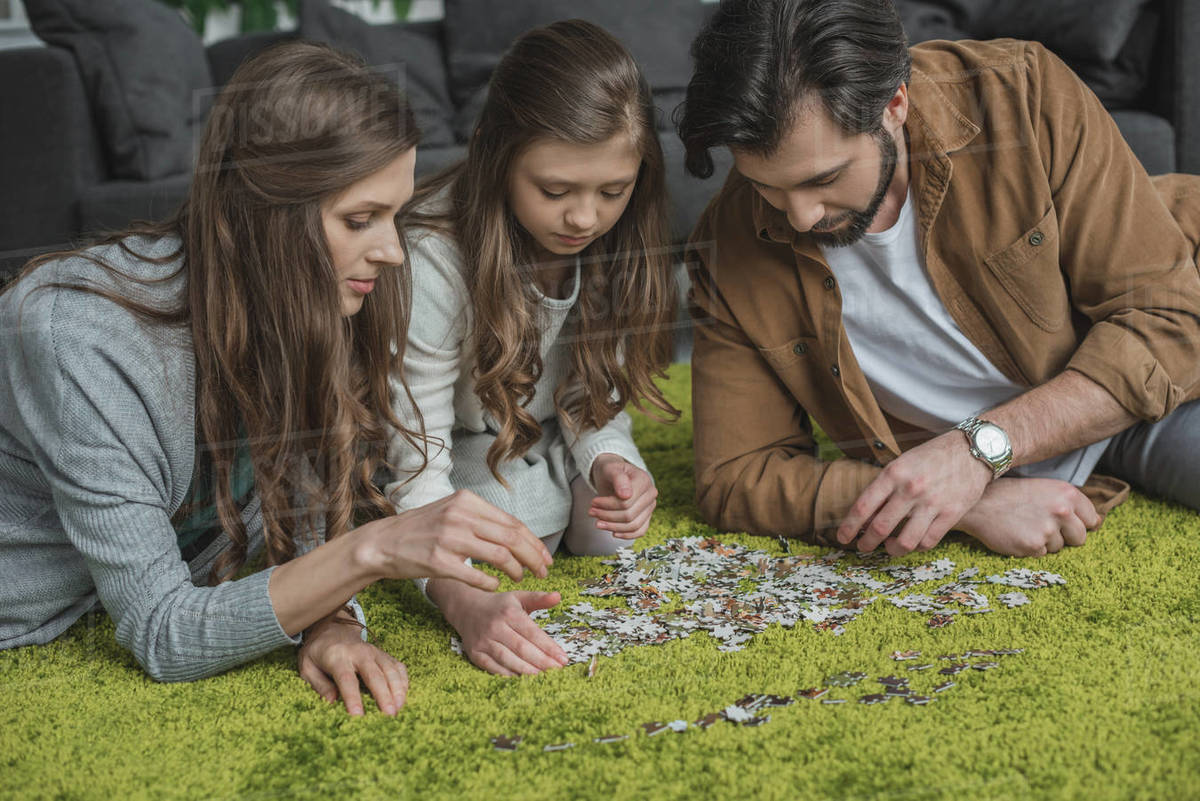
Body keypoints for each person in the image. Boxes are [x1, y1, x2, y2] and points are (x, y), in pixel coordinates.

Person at [0, 42, 553, 715]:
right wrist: (372, 548)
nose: (392, 251)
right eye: (360, 220)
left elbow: (302, 497)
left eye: (395, 215)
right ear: (266, 214)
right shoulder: (76, 335)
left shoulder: (310, 293)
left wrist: (332, 621)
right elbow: (164, 632)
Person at [676, 0, 1200, 558]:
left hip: (1146, 391)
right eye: (766, 186)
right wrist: (962, 501)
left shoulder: (1020, 93)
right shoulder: (731, 244)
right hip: (1030, 453)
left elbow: (1166, 319)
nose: (800, 218)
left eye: (824, 179)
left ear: (894, 104)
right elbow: (736, 476)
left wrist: (974, 452)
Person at [385, 20, 678, 677]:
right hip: (452, 439)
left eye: (613, 191)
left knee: (609, 530)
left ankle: (566, 479)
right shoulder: (431, 259)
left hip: (541, 432)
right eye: (554, 191)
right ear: (496, 156)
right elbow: (415, 458)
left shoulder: (613, 239)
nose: (584, 218)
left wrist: (611, 460)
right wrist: (460, 602)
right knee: (515, 534)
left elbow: (593, 394)